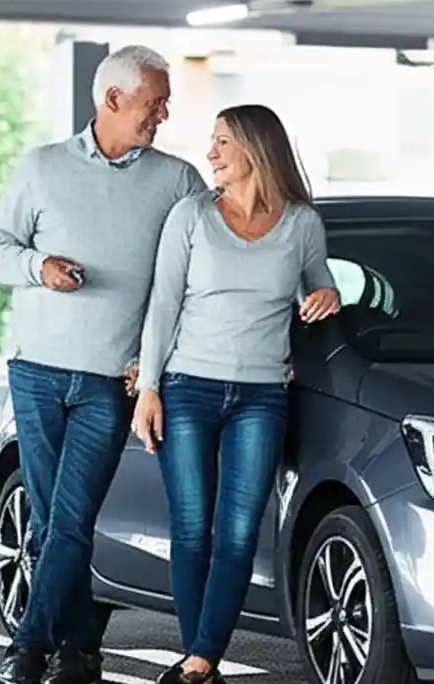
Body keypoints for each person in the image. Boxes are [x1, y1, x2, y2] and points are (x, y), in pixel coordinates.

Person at [0, 44, 208, 684]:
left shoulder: (179, 181)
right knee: (55, 519)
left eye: (163, 103)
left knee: (71, 516)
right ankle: (79, 650)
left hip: (114, 381)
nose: (163, 112)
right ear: (113, 99)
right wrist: (37, 268)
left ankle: (27, 646)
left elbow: (195, 282)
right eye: (153, 101)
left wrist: (153, 363)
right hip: (36, 371)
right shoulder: (42, 167)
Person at [130, 104, 340, 684]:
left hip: (262, 395)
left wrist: (327, 295)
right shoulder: (190, 216)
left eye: (222, 142)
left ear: (255, 148)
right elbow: (163, 306)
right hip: (188, 387)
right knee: (193, 526)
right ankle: (202, 657)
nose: (211, 153)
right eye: (213, 142)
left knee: (242, 531)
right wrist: (149, 389)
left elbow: (317, 282)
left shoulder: (301, 224)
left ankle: (201, 659)